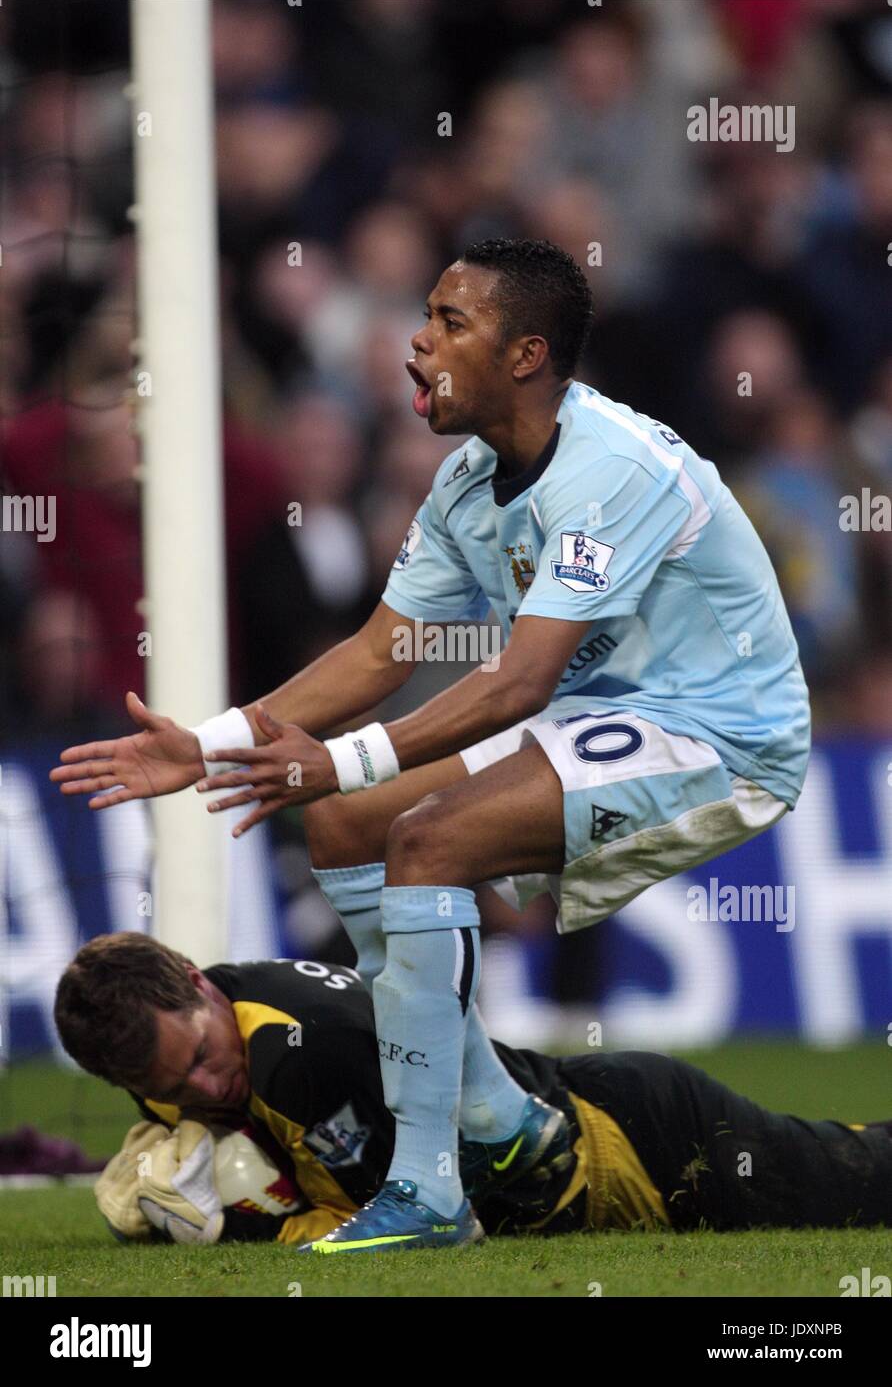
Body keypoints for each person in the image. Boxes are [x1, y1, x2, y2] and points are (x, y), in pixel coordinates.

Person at [50, 239, 811, 1253]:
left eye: (452, 323)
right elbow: (380, 650)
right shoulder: (463, 484)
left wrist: (346, 754)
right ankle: (493, 1117)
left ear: (527, 354)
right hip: (606, 722)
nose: (419, 341)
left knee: (421, 839)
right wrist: (215, 743)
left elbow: (517, 681)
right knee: (348, 818)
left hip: (724, 735)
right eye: (426, 314)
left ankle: (429, 1190)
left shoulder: (610, 472)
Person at [54, 935, 892, 1252]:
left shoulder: (300, 1052)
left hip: (629, 1142)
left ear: (199, 983)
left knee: (863, 1182)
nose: (209, 1086)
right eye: (175, 1088)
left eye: (202, 1053)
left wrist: (240, 1228)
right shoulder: (166, 1076)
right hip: (571, 1181)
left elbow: (414, 1228)